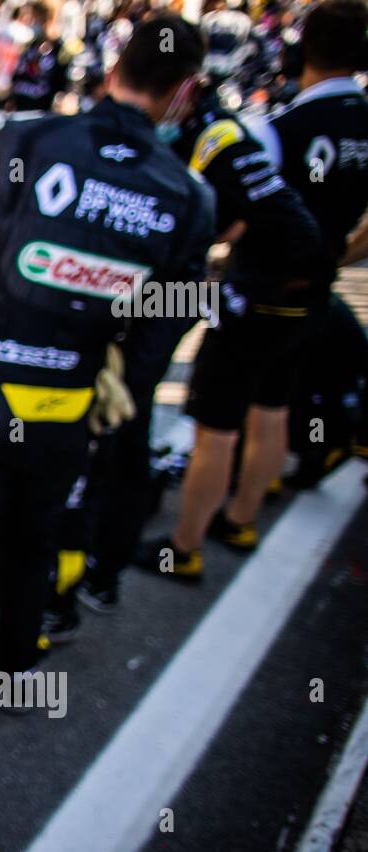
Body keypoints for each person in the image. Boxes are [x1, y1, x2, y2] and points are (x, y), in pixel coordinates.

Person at [0, 16, 215, 739]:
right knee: (34, 535)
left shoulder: (27, 140)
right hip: (73, 402)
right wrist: (125, 390)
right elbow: (169, 320)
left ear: (113, 65)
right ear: (186, 93)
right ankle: (18, 664)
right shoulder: (187, 195)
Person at [46, 46, 323, 624]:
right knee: (122, 431)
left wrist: (235, 273)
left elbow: (288, 224)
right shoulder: (167, 132)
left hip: (185, 298)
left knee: (121, 426)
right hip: (183, 290)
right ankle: (101, 565)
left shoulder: (218, 135)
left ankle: (95, 573)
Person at [137, 0, 368, 581]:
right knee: (273, 409)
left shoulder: (277, 129)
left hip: (255, 291)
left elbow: (238, 213)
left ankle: (184, 547)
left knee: (217, 427)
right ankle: (241, 518)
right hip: (313, 292)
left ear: (299, 50)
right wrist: (329, 257)